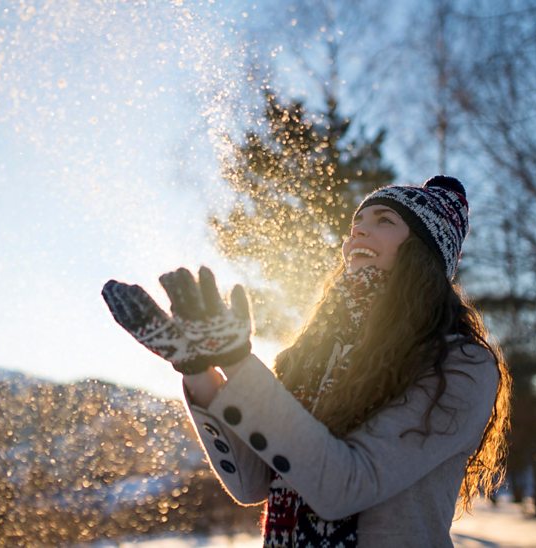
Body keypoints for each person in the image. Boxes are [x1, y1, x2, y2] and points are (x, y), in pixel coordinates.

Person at [101, 176, 512, 547]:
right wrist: (197, 367)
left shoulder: (459, 364)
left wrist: (236, 360)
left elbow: (343, 486)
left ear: (425, 253)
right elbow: (251, 483)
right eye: (357, 223)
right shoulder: (320, 354)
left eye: (385, 220)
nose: (359, 231)